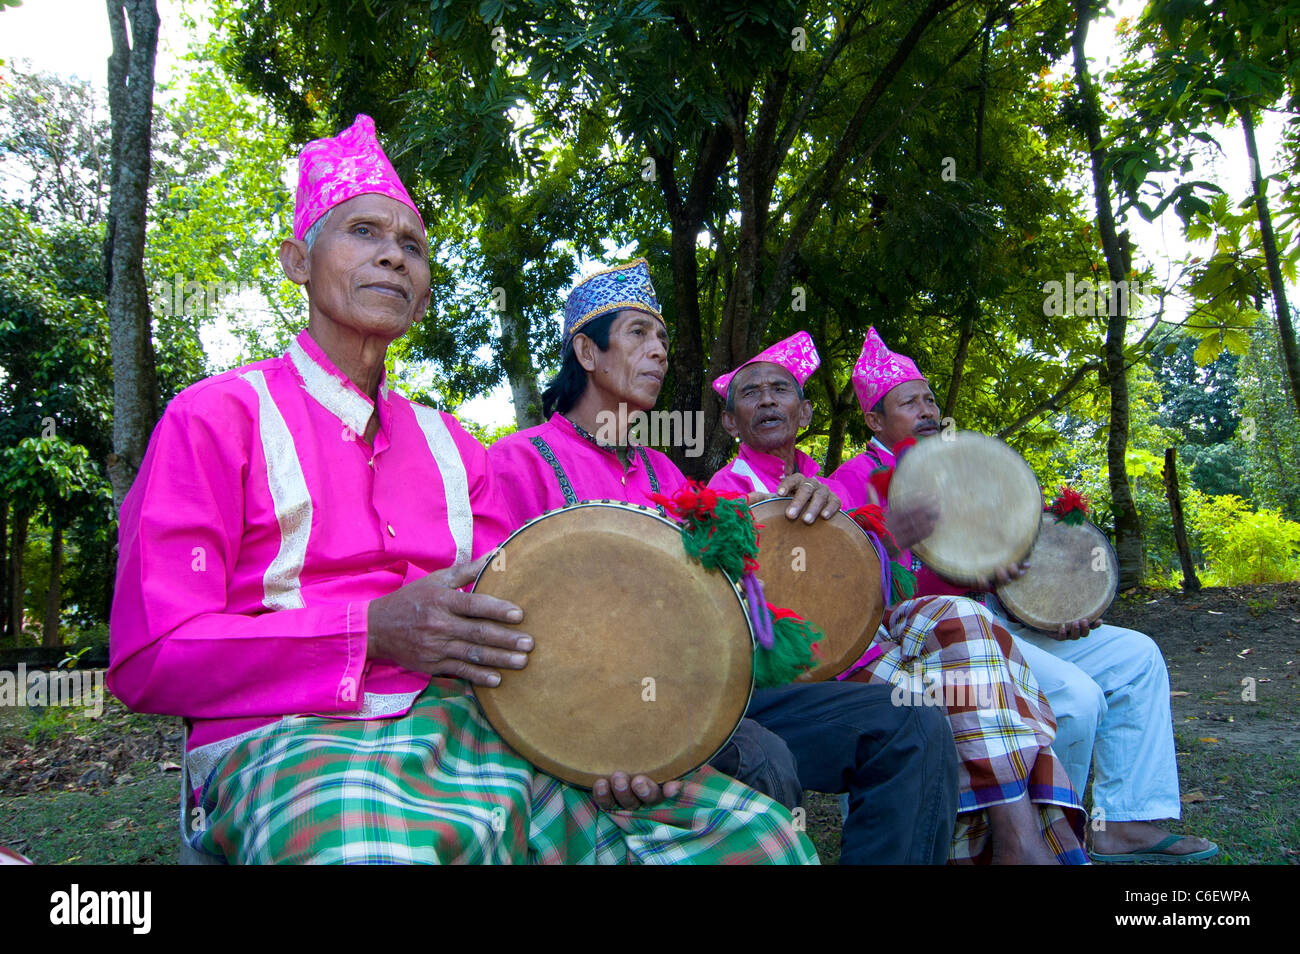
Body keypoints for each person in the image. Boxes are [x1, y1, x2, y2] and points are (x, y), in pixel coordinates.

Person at [107, 116, 817, 865]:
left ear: (422, 297)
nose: (392, 254)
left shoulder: (453, 445)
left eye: (412, 246)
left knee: (759, 840)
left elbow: (522, 625)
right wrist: (368, 632)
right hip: (295, 739)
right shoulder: (216, 416)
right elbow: (151, 656)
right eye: (362, 232)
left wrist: (607, 730)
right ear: (297, 261)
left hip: (481, 733)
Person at [488, 261, 960, 865]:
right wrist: (594, 731)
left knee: (911, 723)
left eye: (663, 339)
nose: (659, 351)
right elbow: (500, 616)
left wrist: (822, 526)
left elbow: (727, 602)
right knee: (767, 761)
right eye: (638, 334)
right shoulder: (519, 461)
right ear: (586, 351)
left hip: (709, 688)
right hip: (600, 703)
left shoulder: (665, 475)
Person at [830, 327, 1218, 864]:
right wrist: (894, 535)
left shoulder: (963, 472)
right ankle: (1044, 841)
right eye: (909, 402)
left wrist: (1053, 603)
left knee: (1136, 656)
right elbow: (844, 579)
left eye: (930, 399)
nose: (927, 410)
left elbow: (1001, 567)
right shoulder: (851, 481)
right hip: (932, 645)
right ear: (874, 421)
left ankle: (1122, 822)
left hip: (1000, 623)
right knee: (1077, 700)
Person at [710, 331, 1087, 865]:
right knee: (959, 695)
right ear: (731, 422)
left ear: (806, 412)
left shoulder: (818, 478)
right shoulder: (726, 493)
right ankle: (1022, 844)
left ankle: (1015, 840)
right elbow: (752, 606)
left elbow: (873, 584)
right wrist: (887, 535)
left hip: (875, 633)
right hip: (809, 663)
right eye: (752, 393)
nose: (768, 400)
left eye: (781, 389)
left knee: (966, 623)